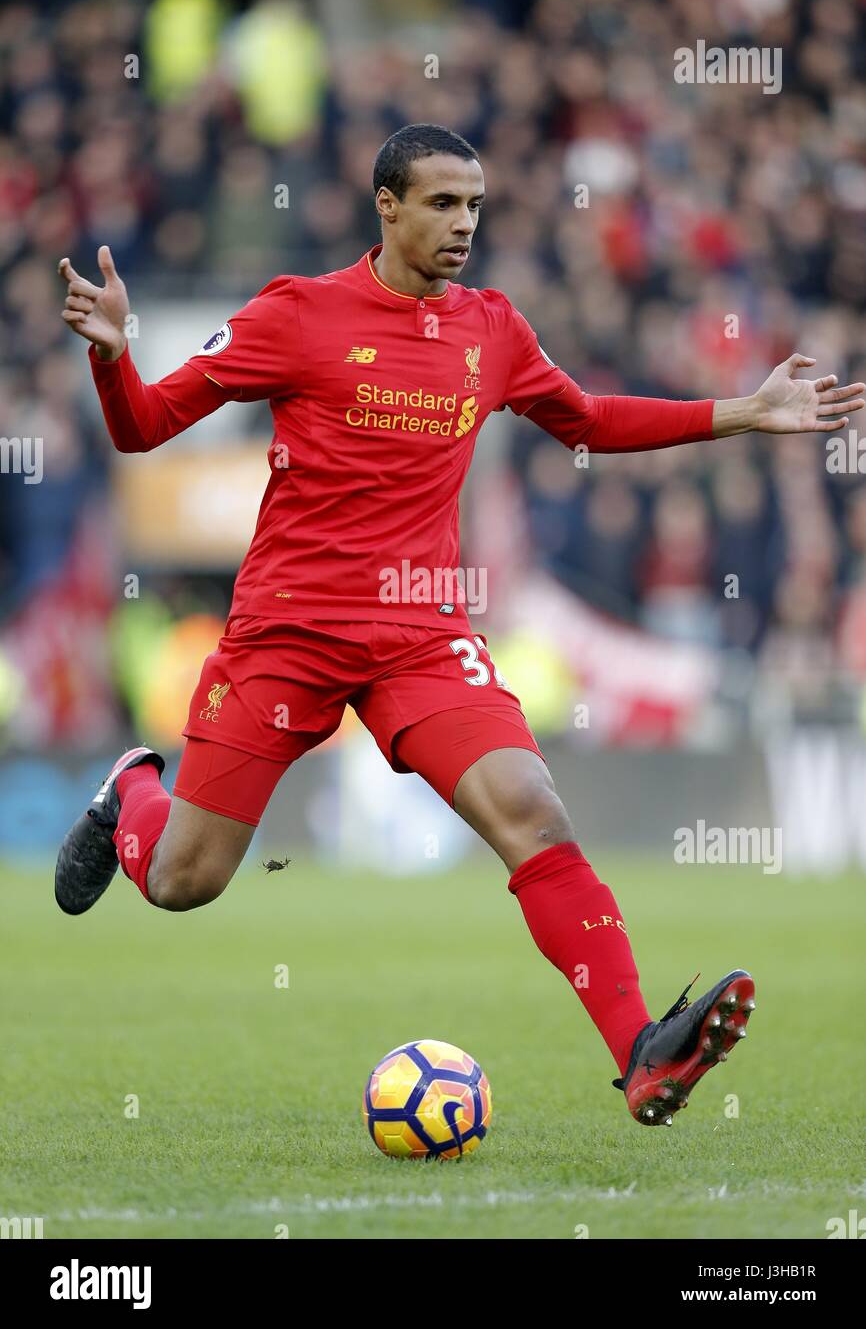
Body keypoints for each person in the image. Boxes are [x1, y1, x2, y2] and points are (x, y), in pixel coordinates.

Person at [55, 124, 864, 1126]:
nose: (462, 225)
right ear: (385, 205)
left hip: (419, 634)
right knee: (182, 881)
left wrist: (738, 412)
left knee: (532, 810)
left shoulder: (491, 329)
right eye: (441, 203)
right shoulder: (297, 314)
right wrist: (112, 361)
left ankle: (643, 1056)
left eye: (474, 206)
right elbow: (143, 429)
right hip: (285, 635)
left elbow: (583, 418)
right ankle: (131, 789)